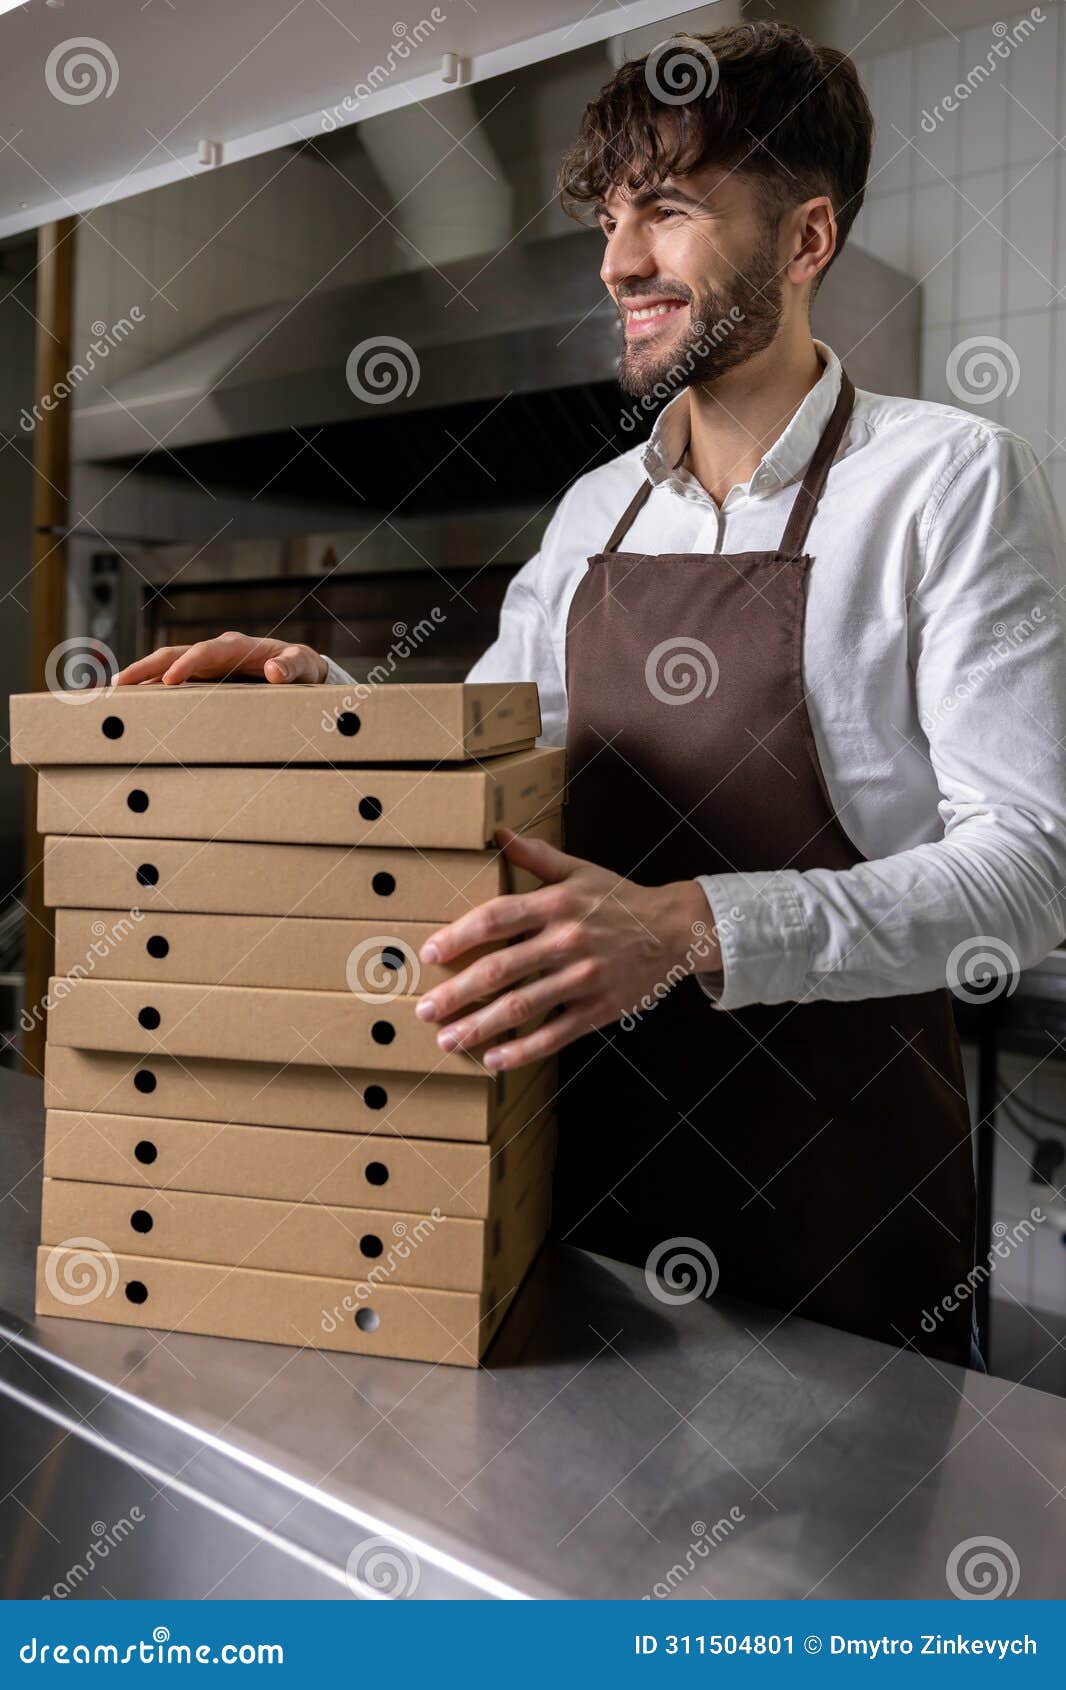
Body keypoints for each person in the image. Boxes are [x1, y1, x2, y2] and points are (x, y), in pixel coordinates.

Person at [115, 23, 1066, 1366]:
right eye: (611, 220)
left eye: (667, 212)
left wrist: (684, 926)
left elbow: (1029, 871)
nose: (618, 262)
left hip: (839, 1204)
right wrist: (325, 702)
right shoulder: (593, 513)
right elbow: (503, 760)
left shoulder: (948, 482)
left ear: (805, 240)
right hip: (592, 1177)